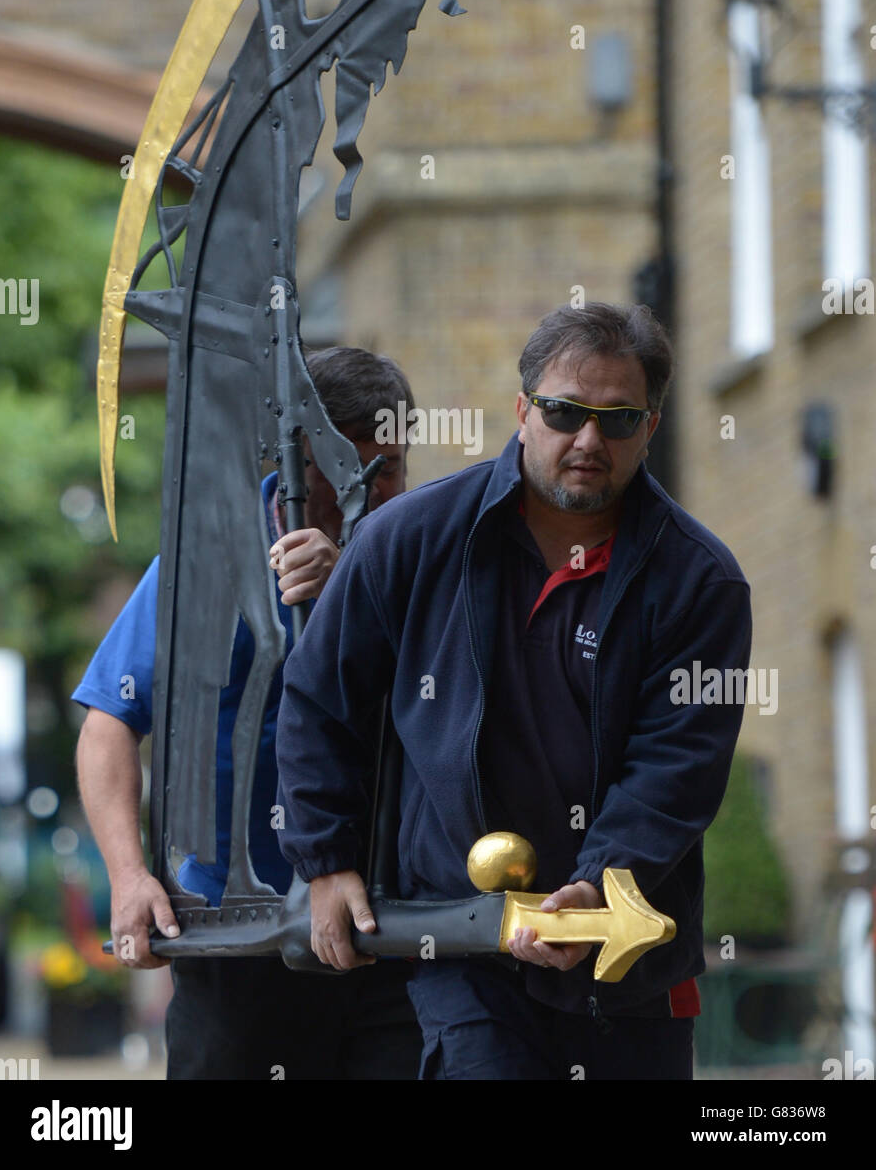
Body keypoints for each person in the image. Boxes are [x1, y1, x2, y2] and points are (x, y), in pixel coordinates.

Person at [275, 302, 753, 1081]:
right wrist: (326, 861)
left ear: (651, 426)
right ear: (523, 409)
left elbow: (677, 769)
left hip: (625, 954)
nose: (589, 440)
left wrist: (597, 884)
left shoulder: (701, 581)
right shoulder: (409, 539)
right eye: (565, 412)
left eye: (618, 419)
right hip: (459, 945)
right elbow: (319, 702)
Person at [74, 346, 424, 1080]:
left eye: (387, 467)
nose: (371, 489)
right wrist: (129, 875)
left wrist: (349, 594)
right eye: (346, 465)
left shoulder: (418, 560)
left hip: (396, 929)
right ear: (297, 451)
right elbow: (109, 723)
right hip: (238, 935)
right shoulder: (201, 564)